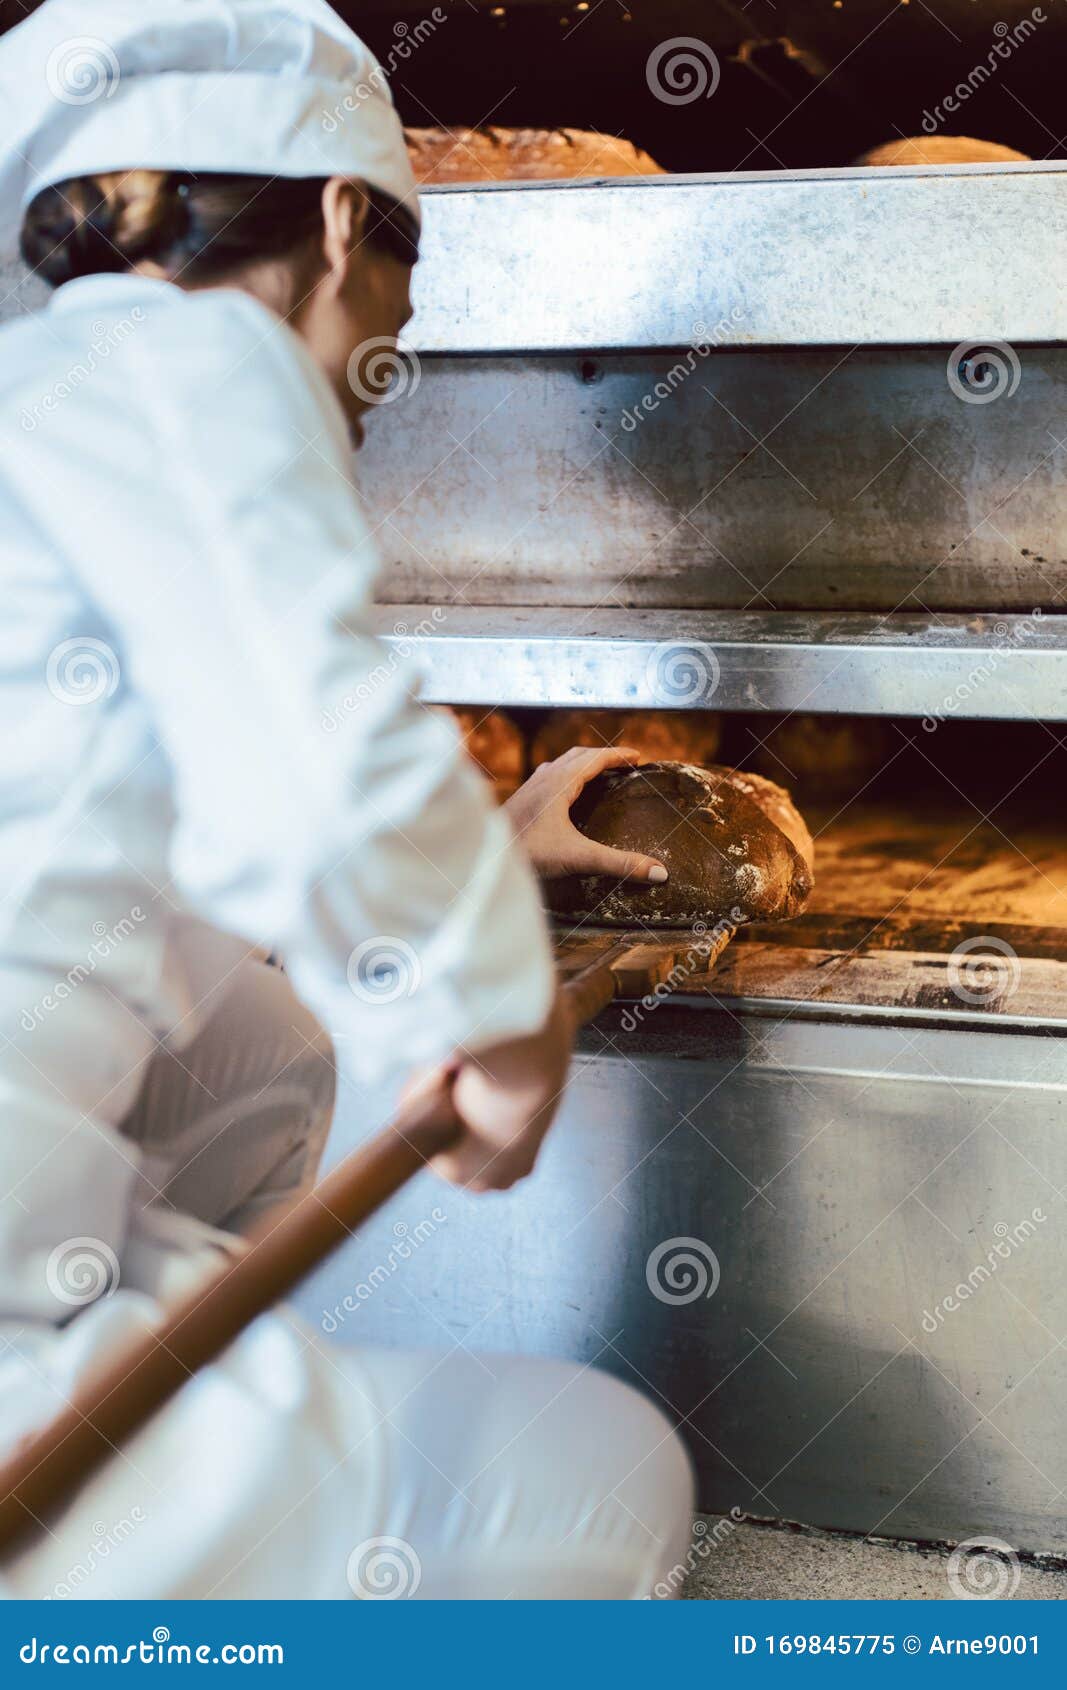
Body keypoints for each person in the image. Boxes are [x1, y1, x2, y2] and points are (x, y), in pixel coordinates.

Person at [0, 0, 693, 1600]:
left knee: (269, 1051)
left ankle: (209, 1473)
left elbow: (96, 829)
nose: (389, 355)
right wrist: (504, 1018)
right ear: (334, 220)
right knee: (607, 1473)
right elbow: (312, 757)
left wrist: (478, 861)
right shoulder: (188, 358)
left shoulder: (37, 392)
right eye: (404, 279)